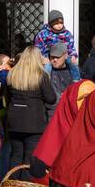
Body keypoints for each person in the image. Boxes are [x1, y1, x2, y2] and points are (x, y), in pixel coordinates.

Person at [4, 45, 58, 176]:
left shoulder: (12, 74)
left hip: (14, 120)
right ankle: (26, 186)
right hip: (34, 121)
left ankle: (12, 185)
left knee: (15, 155)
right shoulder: (41, 75)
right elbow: (51, 98)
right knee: (30, 157)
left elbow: (7, 97)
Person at [34, 9, 78, 74]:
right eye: (56, 23)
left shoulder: (67, 34)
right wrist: (42, 57)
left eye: (61, 23)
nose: (59, 25)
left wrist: (73, 55)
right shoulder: (43, 34)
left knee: (73, 65)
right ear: (51, 24)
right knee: (47, 67)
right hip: (48, 57)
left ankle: (76, 78)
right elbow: (38, 47)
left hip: (63, 56)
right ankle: (46, 79)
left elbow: (71, 46)